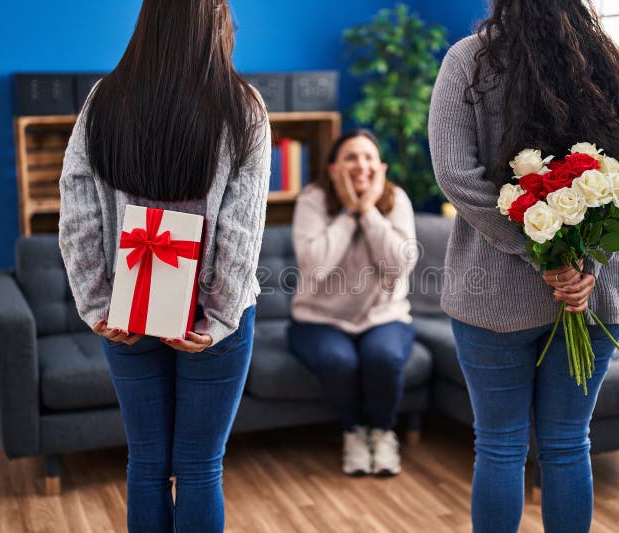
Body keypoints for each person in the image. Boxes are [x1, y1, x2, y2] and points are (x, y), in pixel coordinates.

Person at [428, 1, 619, 531]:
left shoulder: (468, 60)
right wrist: (592, 255)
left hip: (492, 298)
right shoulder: (605, 61)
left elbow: (454, 174)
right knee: (566, 446)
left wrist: (536, 251)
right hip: (594, 295)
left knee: (499, 447)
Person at [58, 1, 270, 531]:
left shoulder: (103, 100)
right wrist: (217, 318)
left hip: (127, 313)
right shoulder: (244, 108)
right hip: (210, 323)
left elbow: (76, 206)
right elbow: (243, 230)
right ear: (215, 22)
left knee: (147, 465)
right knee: (200, 468)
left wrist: (99, 303)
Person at [287, 130, 418, 476]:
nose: (361, 165)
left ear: (382, 167)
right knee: (337, 360)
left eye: (368, 158)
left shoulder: (397, 200)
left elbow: (399, 266)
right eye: (350, 157)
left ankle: (383, 432)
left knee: (383, 356)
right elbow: (316, 267)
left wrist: (369, 211)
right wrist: (349, 213)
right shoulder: (313, 199)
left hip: (384, 316)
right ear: (333, 169)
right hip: (319, 319)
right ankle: (354, 433)